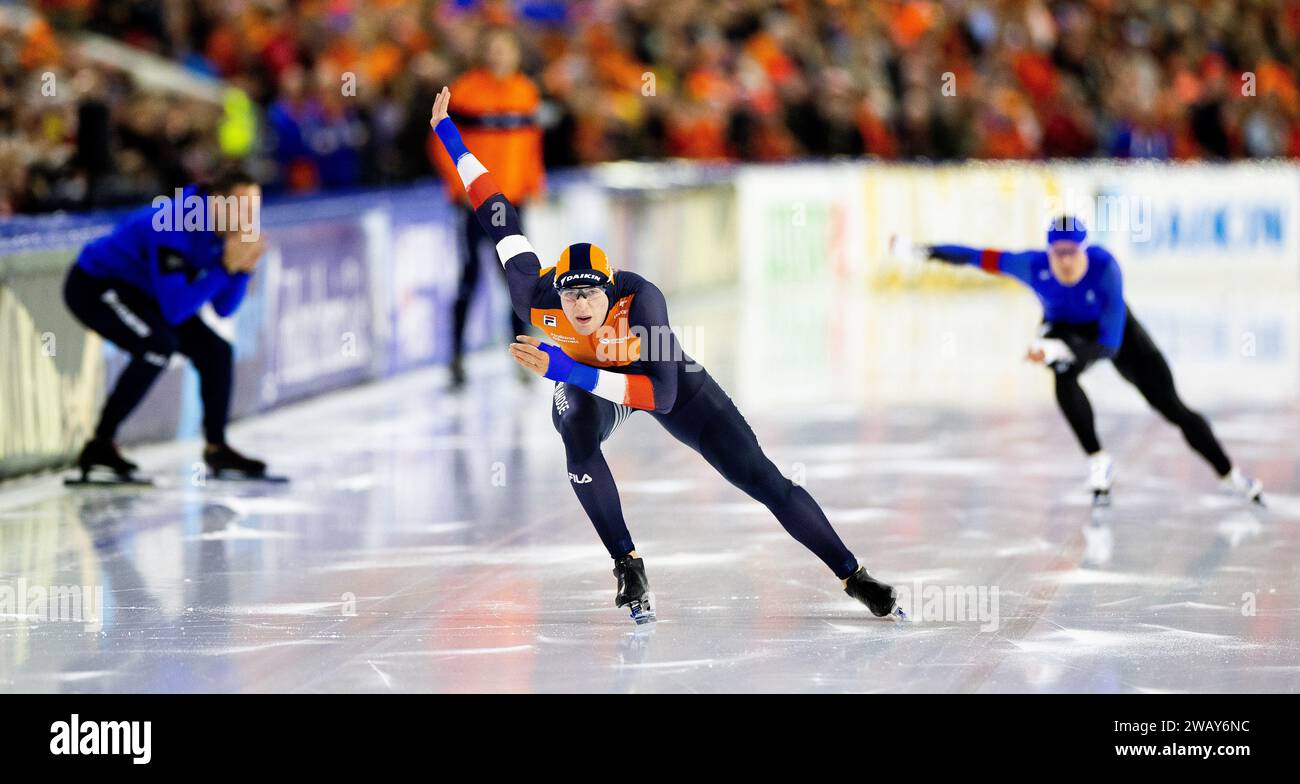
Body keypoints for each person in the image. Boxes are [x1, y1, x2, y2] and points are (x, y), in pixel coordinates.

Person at [429, 86, 901, 623]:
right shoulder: (533, 295)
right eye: (570, 295)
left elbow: (662, 394)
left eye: (591, 294)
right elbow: (497, 210)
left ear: (611, 290)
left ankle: (852, 574)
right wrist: (449, 134)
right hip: (588, 381)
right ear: (554, 292)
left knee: (764, 479)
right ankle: (627, 564)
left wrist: (564, 367)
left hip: (658, 377)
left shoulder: (642, 301)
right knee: (576, 438)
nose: (580, 306)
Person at [923, 216, 1264, 505]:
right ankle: (1098, 459)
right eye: (1059, 254)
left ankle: (1230, 474)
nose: (1066, 262)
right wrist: (930, 251)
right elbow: (975, 256)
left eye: (1073, 253)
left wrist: (1058, 352)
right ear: (1049, 253)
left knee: (1173, 408)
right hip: (1064, 330)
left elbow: (1110, 345)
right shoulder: (1031, 264)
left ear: (1084, 251)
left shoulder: (1105, 268)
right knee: (1061, 372)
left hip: (1117, 335)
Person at [63, 168, 271, 482]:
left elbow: (223, 308)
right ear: (216, 203)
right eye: (242, 207)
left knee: (216, 351)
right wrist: (226, 268)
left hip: (147, 294)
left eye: (254, 209)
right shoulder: (174, 225)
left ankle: (217, 447)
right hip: (96, 286)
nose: (248, 219)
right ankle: (100, 443)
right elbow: (175, 311)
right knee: (157, 346)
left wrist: (241, 271)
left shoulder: (228, 229)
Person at [428, 27, 544, 386]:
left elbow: (530, 143)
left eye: (504, 49)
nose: (498, 56)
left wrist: (532, 183)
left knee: (517, 280)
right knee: (469, 276)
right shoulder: (465, 91)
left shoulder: (526, 92)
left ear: (516, 54)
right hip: (472, 202)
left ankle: (524, 356)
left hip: (511, 203)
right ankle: (457, 357)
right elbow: (441, 141)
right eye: (492, 49)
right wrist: (458, 184)